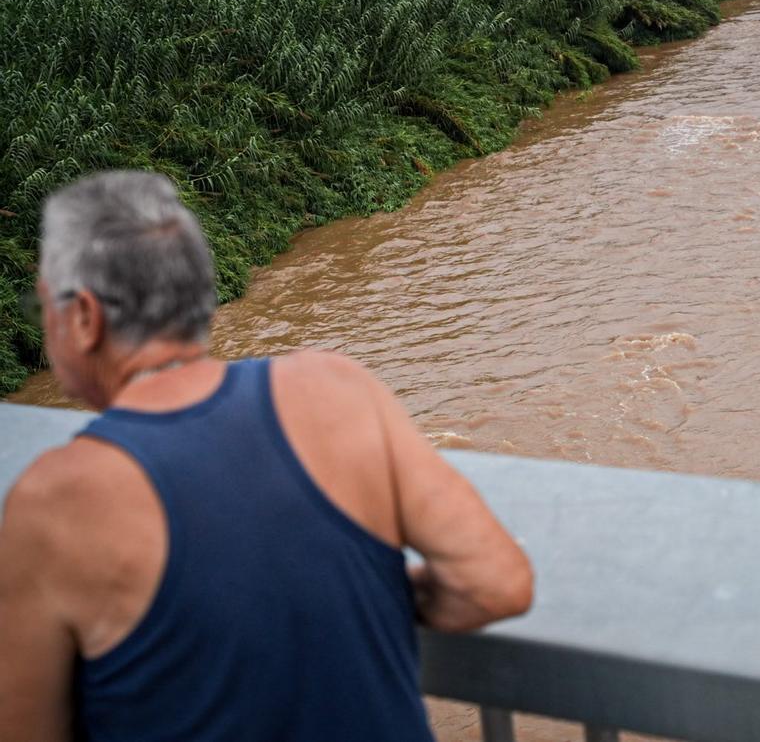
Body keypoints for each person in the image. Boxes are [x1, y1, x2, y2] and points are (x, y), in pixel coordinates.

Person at [0, 170, 534, 742]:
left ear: (85, 317)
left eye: (42, 307)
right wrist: (363, 591)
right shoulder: (337, 389)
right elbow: (496, 584)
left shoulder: (53, 502)